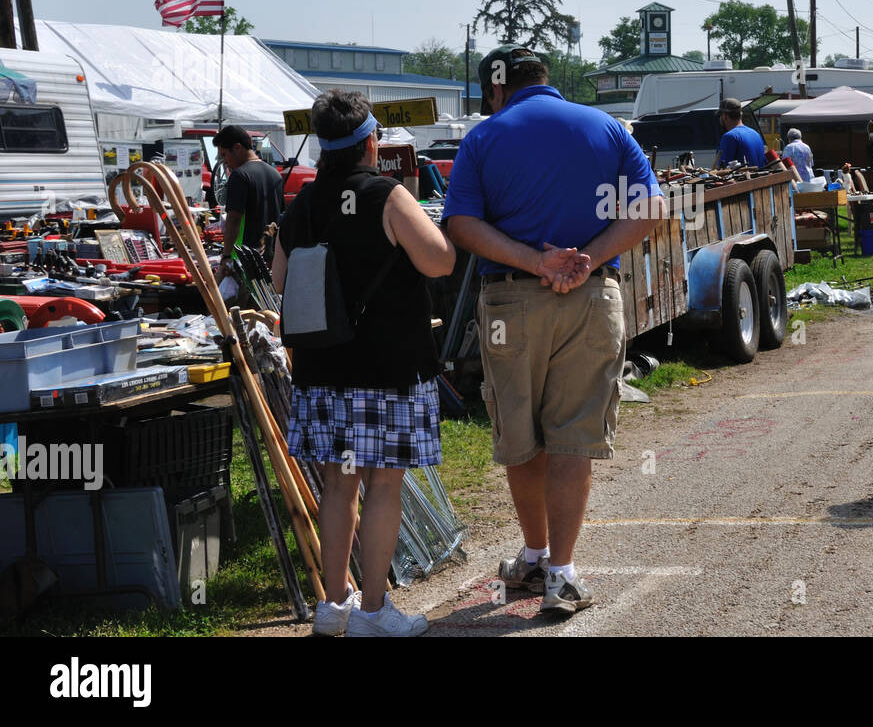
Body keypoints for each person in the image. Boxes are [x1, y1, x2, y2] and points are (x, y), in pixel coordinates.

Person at [443, 45, 666, 616]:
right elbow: (649, 209)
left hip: (511, 303)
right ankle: (561, 574)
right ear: (546, 80)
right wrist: (586, 259)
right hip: (592, 298)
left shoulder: (484, 137)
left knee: (520, 433)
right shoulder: (608, 127)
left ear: (496, 88)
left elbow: (461, 223)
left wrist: (532, 260)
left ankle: (536, 554)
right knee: (572, 436)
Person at [272, 90, 457, 636]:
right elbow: (441, 261)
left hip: (321, 369)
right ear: (370, 141)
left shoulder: (300, 204)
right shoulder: (386, 195)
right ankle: (374, 611)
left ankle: (333, 608)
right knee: (383, 486)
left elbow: (281, 282)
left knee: (339, 484)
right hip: (388, 369)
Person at [213, 125, 284, 276]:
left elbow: (233, 219)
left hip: (244, 260)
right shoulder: (275, 174)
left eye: (224, 154)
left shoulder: (239, 176)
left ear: (237, 147)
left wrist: (226, 256)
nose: (224, 161)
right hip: (269, 258)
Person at [715, 98, 767, 169]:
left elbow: (722, 170)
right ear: (740, 114)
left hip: (744, 180)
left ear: (725, 116)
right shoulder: (756, 134)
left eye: (720, 116)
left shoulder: (729, 137)